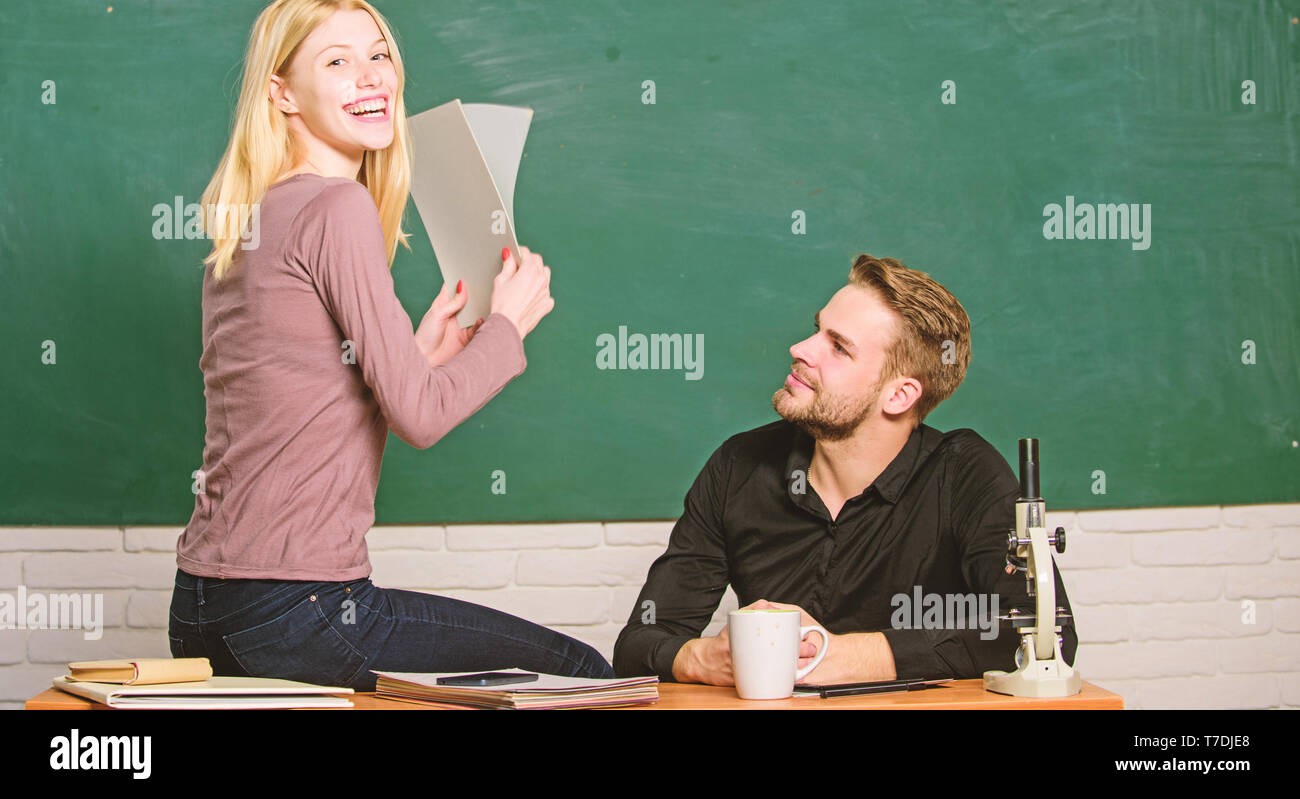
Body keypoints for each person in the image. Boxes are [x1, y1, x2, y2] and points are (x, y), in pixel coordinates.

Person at [168, 0, 613, 690]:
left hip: (204, 604)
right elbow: (422, 418)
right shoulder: (336, 208)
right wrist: (508, 326)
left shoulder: (252, 220)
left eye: (378, 56)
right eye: (337, 62)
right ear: (282, 93)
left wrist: (419, 355)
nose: (371, 77)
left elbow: (297, 400)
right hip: (301, 607)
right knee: (580, 670)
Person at [613, 254, 1079, 684]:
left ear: (899, 396)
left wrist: (843, 656)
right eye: (817, 329)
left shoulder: (964, 474)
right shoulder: (739, 466)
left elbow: (1045, 635)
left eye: (838, 347)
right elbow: (638, 645)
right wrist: (701, 658)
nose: (800, 348)